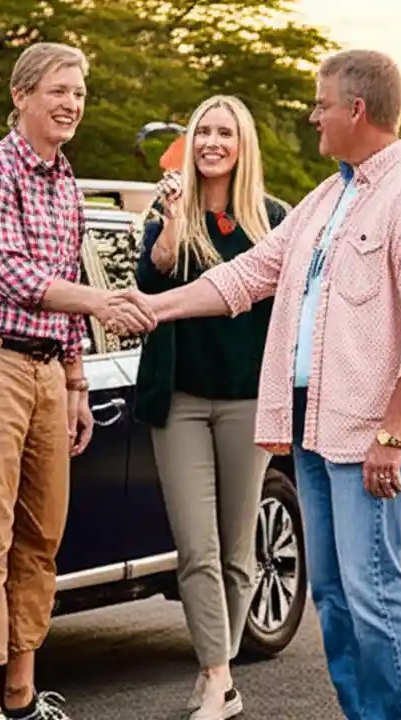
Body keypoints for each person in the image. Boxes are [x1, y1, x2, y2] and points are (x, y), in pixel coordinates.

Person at [139, 49, 401, 720]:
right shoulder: (329, 197)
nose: (312, 115)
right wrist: (152, 307)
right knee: (335, 598)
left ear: (356, 109)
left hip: (368, 442)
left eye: (321, 104)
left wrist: (393, 435)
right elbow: (248, 276)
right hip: (313, 430)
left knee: (374, 596)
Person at [0, 41, 155, 720]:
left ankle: (23, 696)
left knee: (40, 537)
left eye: (80, 93)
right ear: (22, 94)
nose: (72, 104)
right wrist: (99, 302)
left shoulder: (65, 182)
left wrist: (77, 382)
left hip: (46, 373)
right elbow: (13, 275)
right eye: (60, 91)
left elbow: (58, 298)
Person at [133, 94, 287, 720]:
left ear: (242, 144)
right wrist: (171, 220)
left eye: (224, 132)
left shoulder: (275, 220)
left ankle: (215, 678)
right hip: (182, 401)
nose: (212, 143)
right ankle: (219, 676)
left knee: (235, 551)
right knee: (195, 548)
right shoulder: (167, 211)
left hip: (248, 400)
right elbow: (151, 284)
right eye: (203, 132)